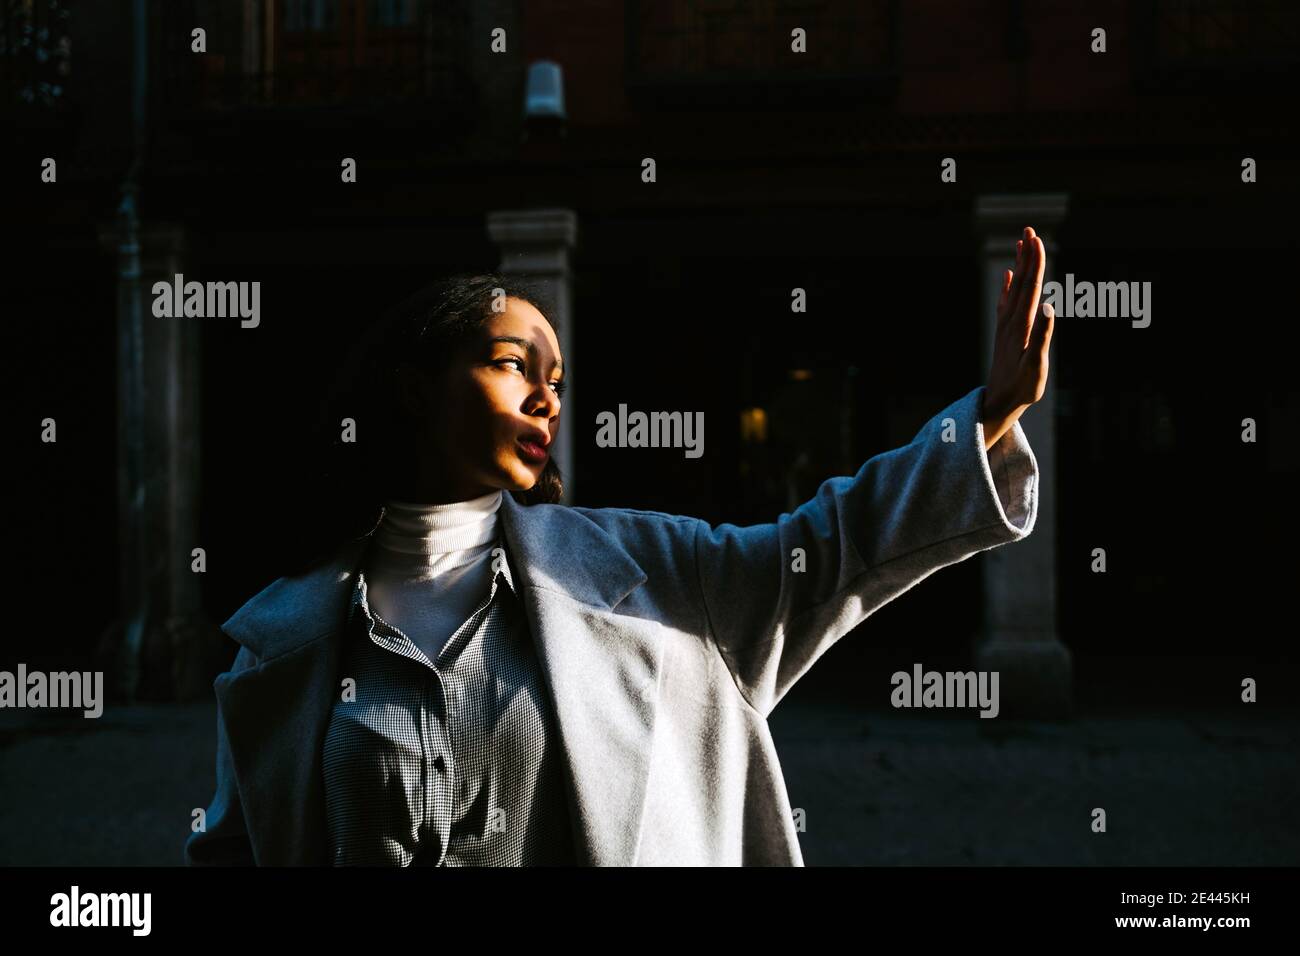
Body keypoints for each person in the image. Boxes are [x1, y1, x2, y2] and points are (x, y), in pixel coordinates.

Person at [184, 226, 1054, 866]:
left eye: (555, 381)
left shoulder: (658, 580)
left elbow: (827, 548)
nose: (545, 400)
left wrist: (985, 419)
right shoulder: (286, 639)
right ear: (415, 387)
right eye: (511, 365)